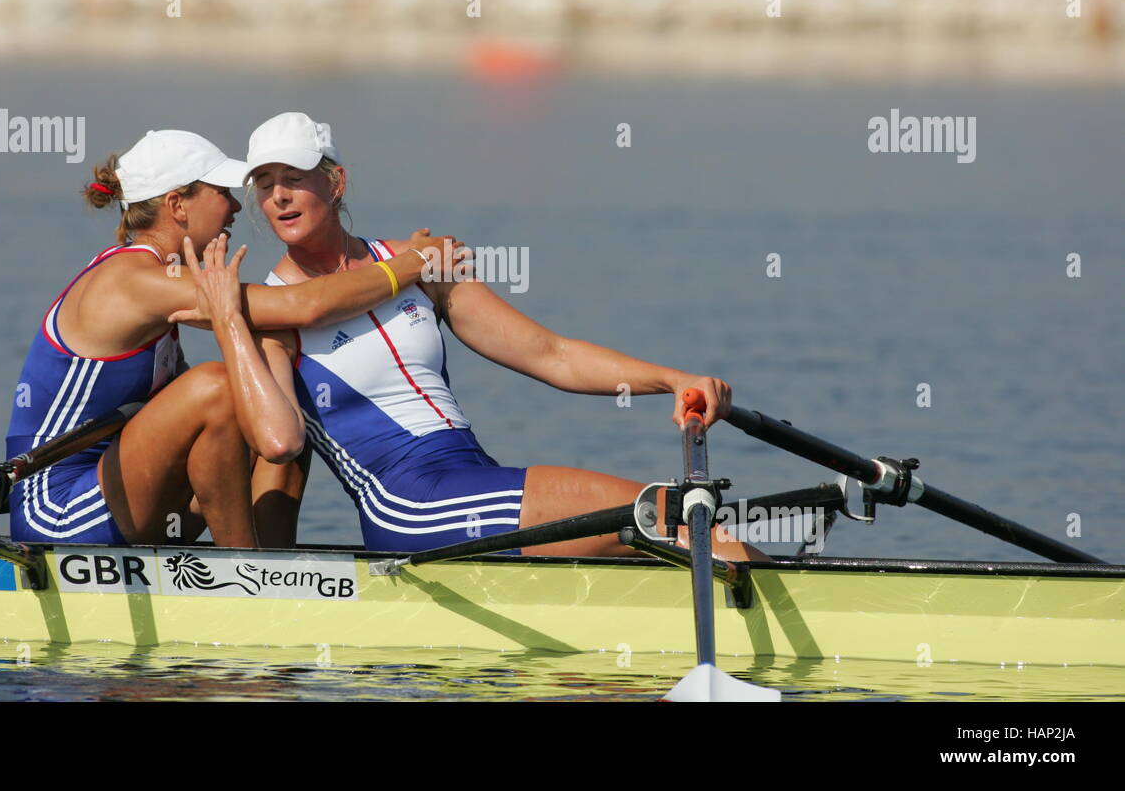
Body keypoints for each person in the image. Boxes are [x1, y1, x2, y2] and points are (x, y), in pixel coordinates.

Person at [242, 112, 764, 559]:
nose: (280, 197)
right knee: (669, 518)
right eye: (266, 185)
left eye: (295, 177)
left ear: (336, 182)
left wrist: (673, 380)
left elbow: (552, 355)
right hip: (410, 506)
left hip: (471, 480)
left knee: (681, 533)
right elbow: (279, 448)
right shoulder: (276, 313)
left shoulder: (422, 265)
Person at [5, 128, 461, 549]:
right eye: (222, 193)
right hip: (57, 514)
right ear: (177, 206)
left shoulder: (161, 276)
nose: (239, 208)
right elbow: (304, 306)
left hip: (121, 496)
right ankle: (247, 572)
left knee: (276, 406)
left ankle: (271, 560)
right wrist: (411, 263)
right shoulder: (131, 280)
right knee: (217, 385)